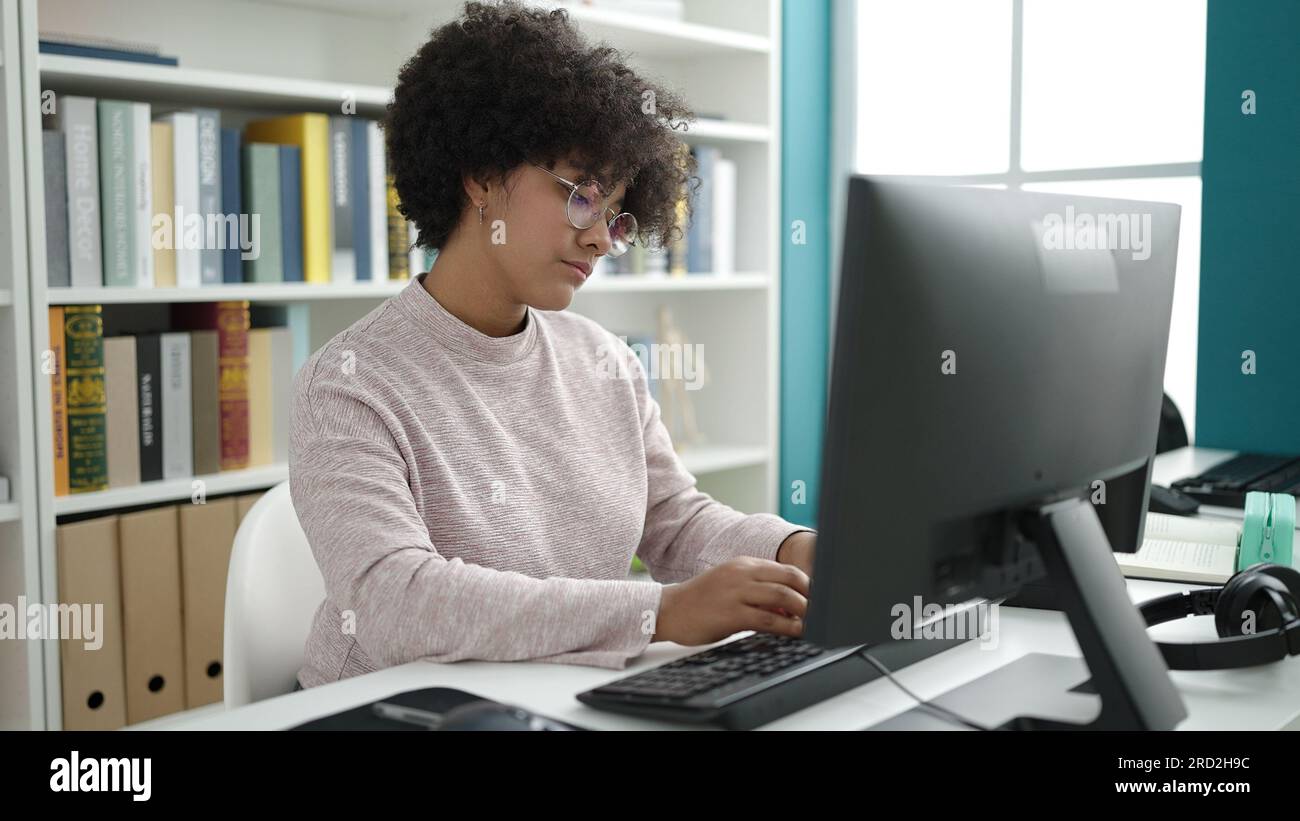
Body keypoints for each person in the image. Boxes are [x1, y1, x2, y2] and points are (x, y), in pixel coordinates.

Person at [289, 0, 816, 689]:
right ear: (481, 173)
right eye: (581, 196)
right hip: (388, 711)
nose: (601, 237)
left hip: (552, 694)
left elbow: (676, 523)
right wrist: (661, 612)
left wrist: (793, 548)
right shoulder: (350, 384)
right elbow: (394, 602)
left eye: (616, 214)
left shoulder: (605, 361)